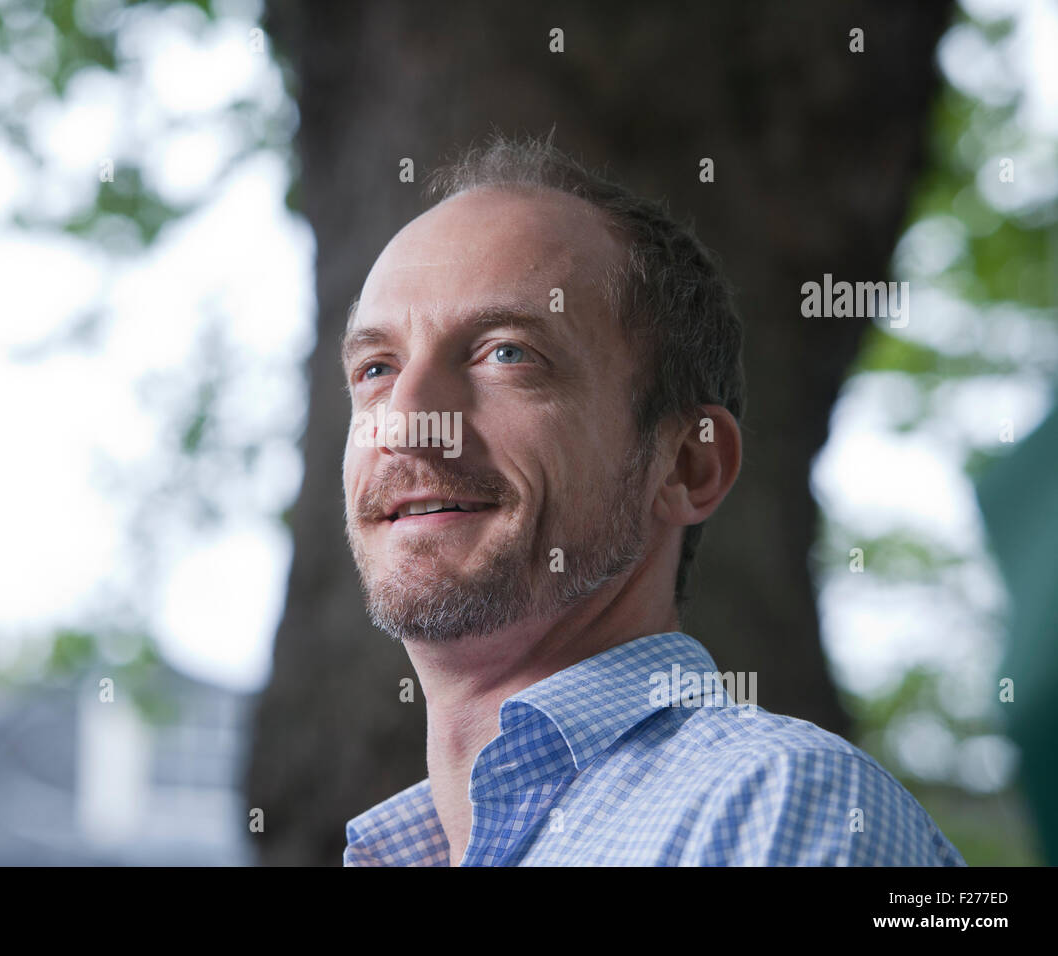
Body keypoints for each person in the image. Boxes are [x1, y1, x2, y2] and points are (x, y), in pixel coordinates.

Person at [338, 133, 966, 867]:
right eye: (376, 367)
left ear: (688, 466)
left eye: (508, 353)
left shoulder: (779, 807)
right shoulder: (397, 850)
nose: (408, 422)